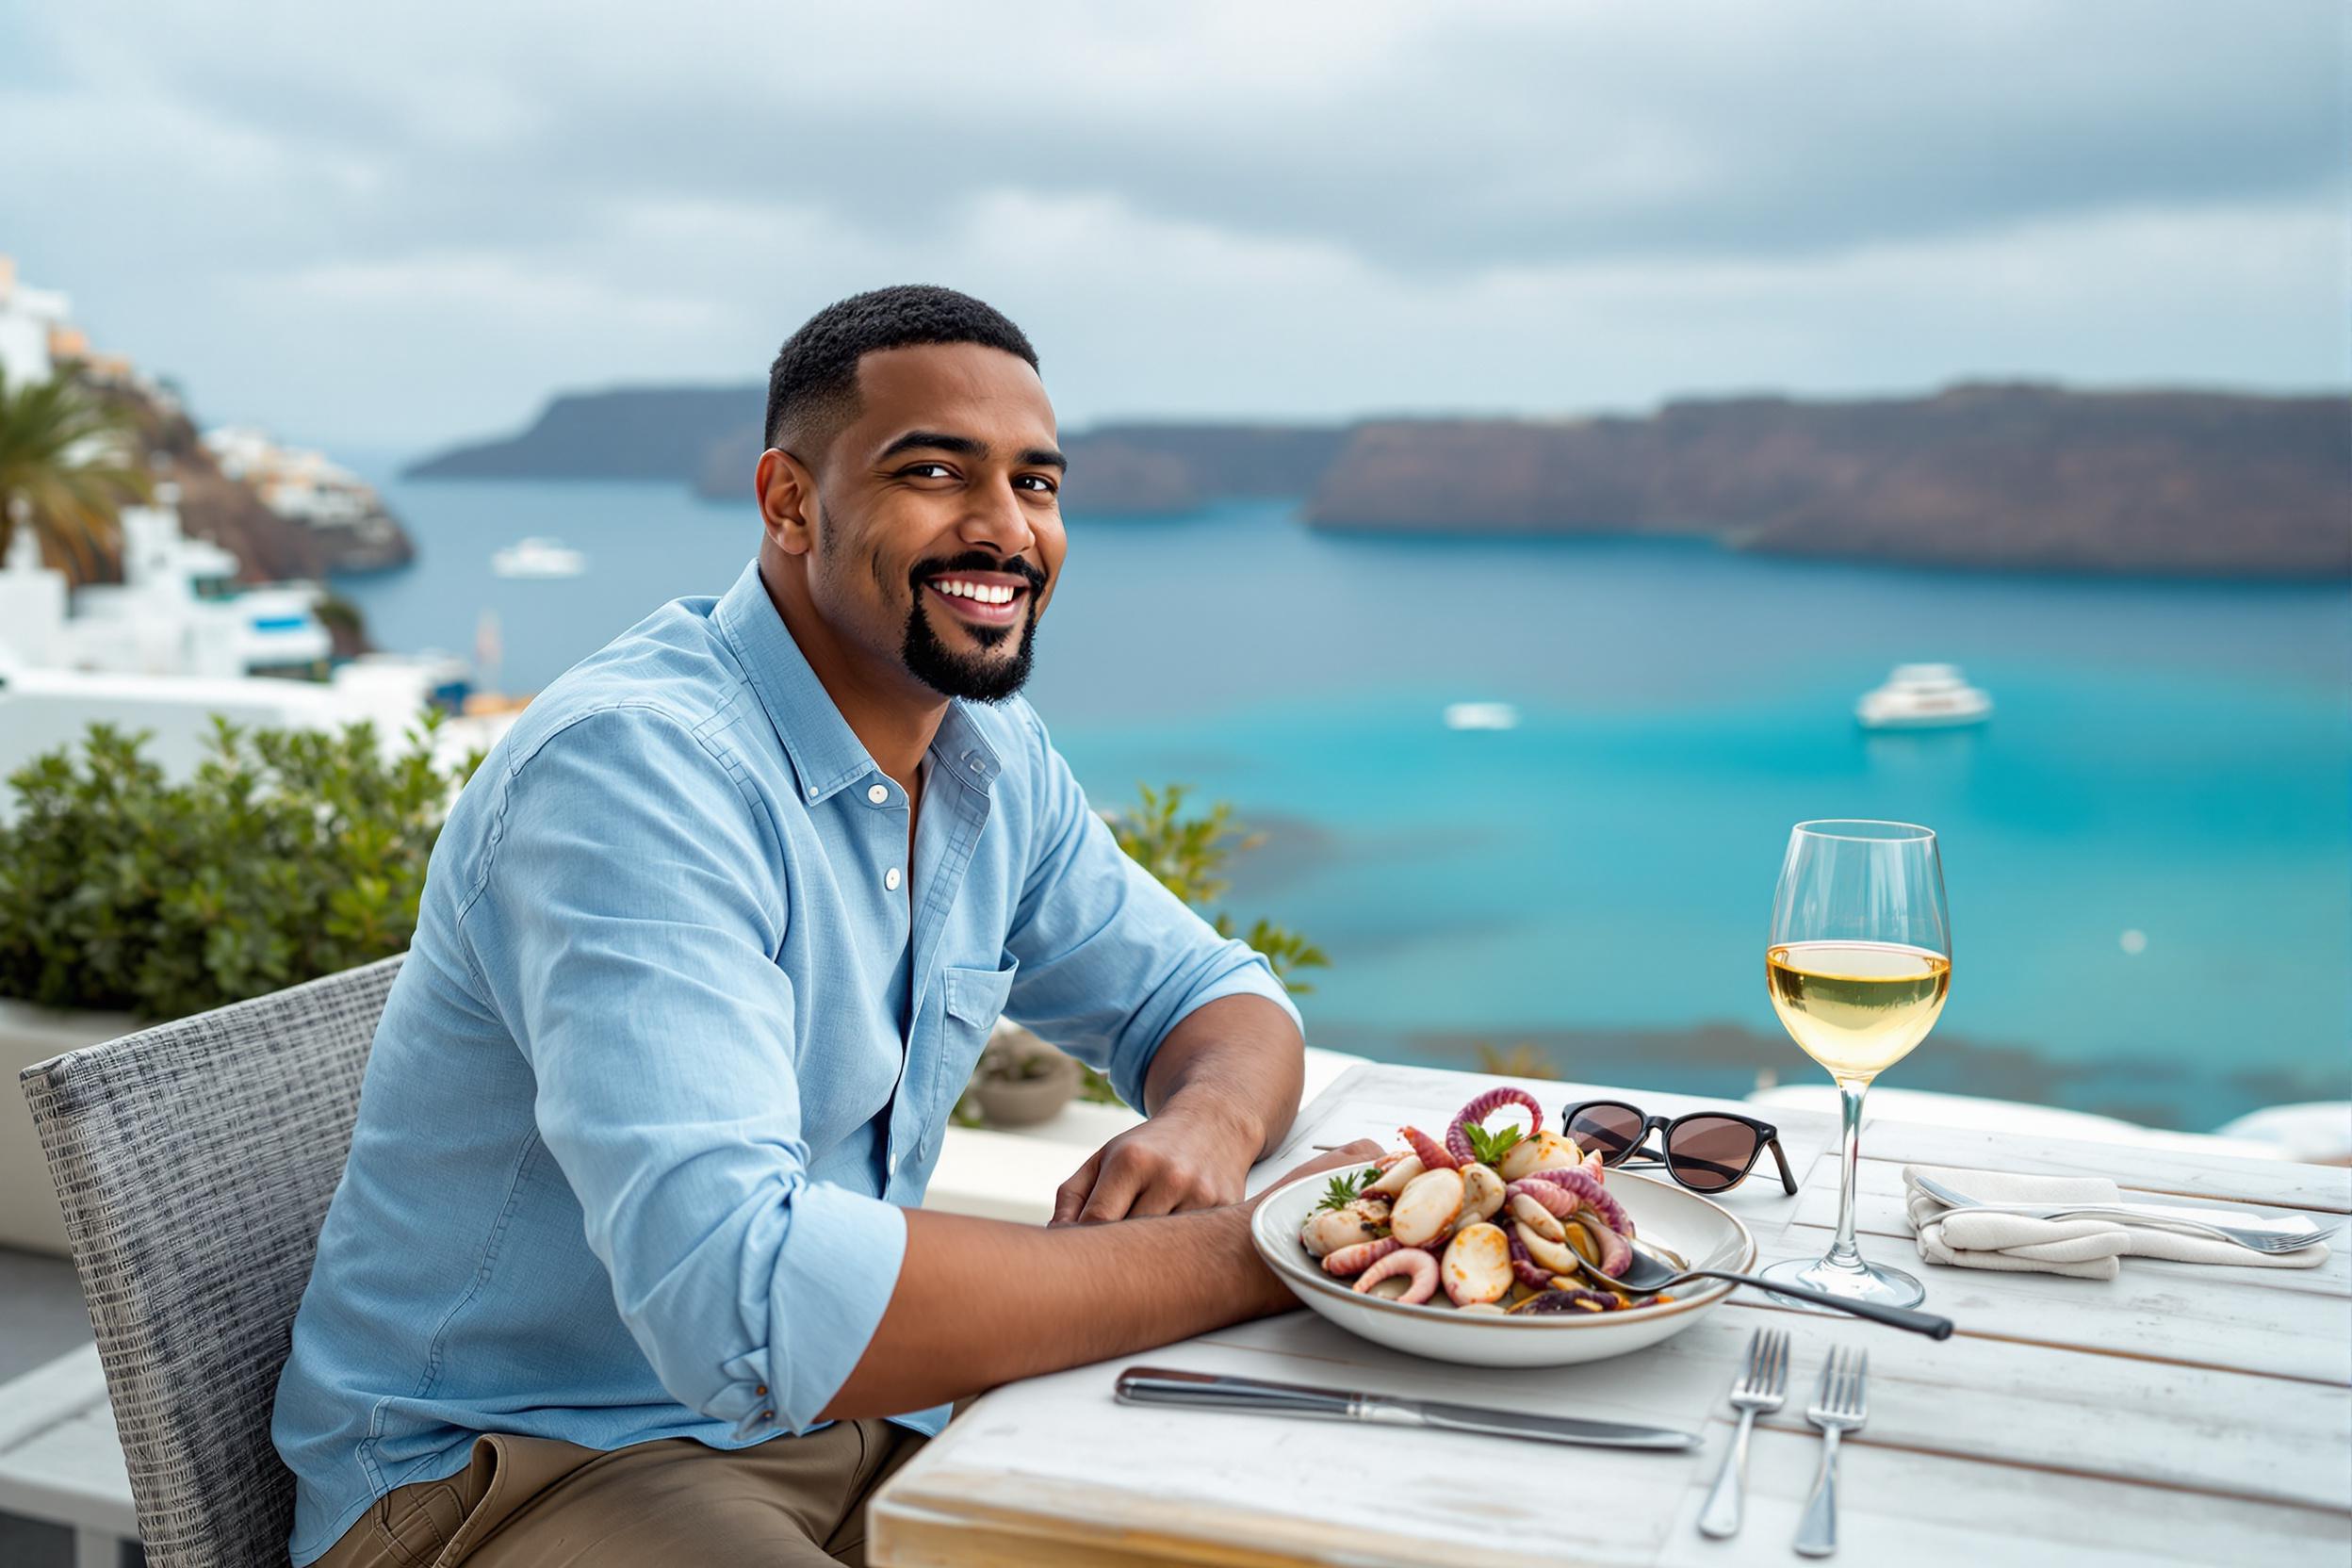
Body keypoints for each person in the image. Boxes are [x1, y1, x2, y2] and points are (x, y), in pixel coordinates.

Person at [272, 285, 1380, 1567]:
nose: (1006, 528)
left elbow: (1211, 994)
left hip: (858, 1421)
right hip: (523, 1469)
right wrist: (1260, 1252)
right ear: (791, 503)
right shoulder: (635, 775)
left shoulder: (984, 757)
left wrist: (1208, 1125)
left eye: (1038, 484)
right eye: (935, 473)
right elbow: (745, 1301)